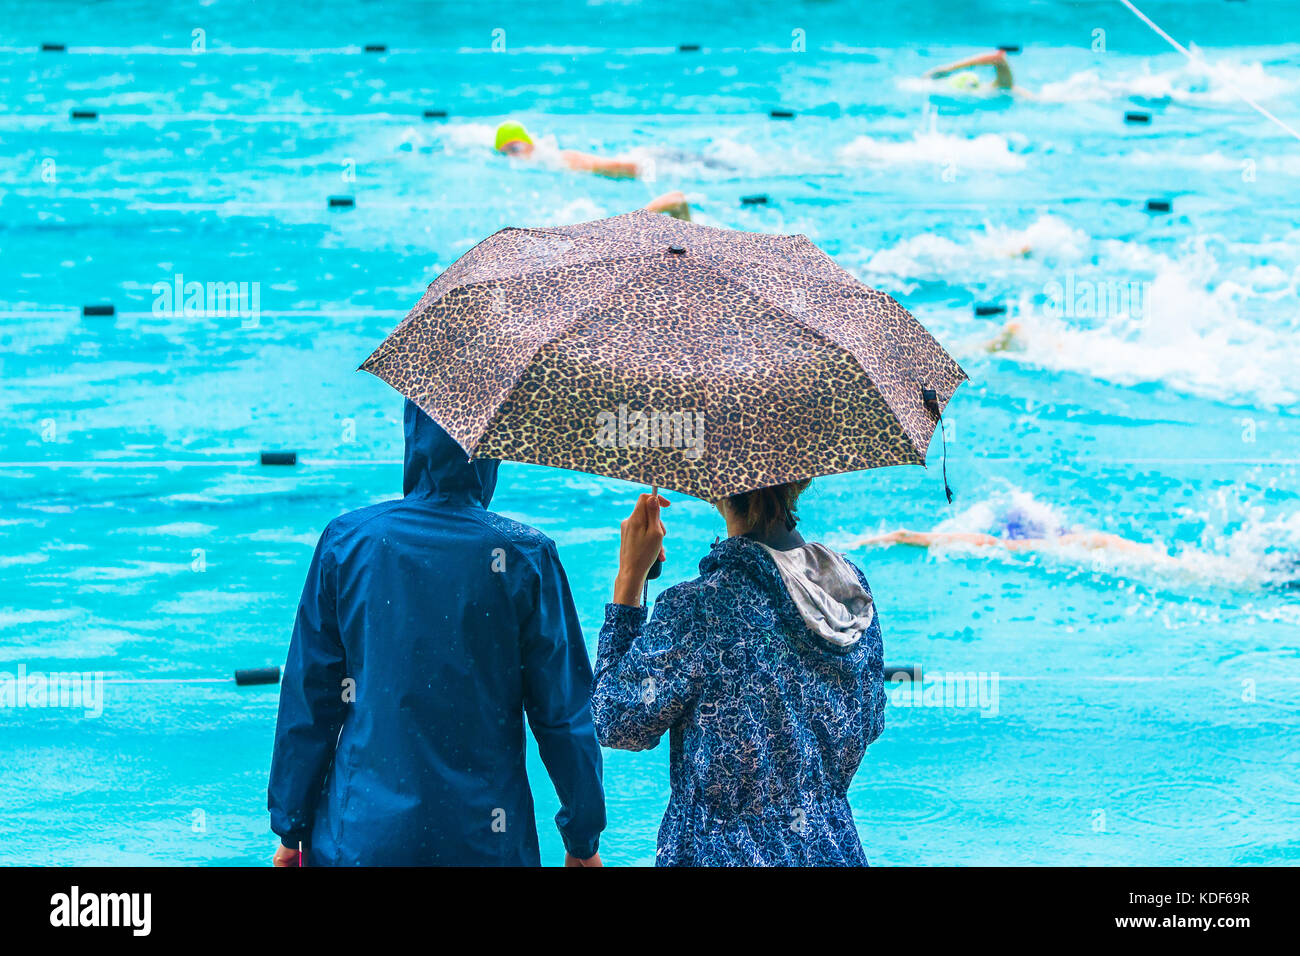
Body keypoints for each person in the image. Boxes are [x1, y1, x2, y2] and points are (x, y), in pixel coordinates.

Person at [267, 400, 605, 866]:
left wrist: (291, 826)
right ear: (492, 451)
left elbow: (310, 699)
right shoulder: (526, 558)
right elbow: (563, 716)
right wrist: (583, 839)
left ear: (412, 436)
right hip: (484, 842)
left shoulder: (347, 543)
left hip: (361, 839)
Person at [591, 481, 886, 866]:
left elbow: (615, 720)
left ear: (712, 484)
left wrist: (630, 578)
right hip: (832, 848)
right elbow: (871, 719)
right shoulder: (849, 590)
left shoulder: (700, 607)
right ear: (806, 478)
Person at [495, 120, 692, 220]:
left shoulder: (563, 159)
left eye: (516, 148)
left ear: (528, 142)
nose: (514, 156)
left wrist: (653, 172)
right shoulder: (543, 164)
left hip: (656, 162)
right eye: (507, 152)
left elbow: (617, 166)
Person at [926, 49, 1027, 96]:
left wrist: (948, 69)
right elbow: (999, 58)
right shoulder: (1001, 88)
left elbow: (998, 58)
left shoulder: (1002, 86)